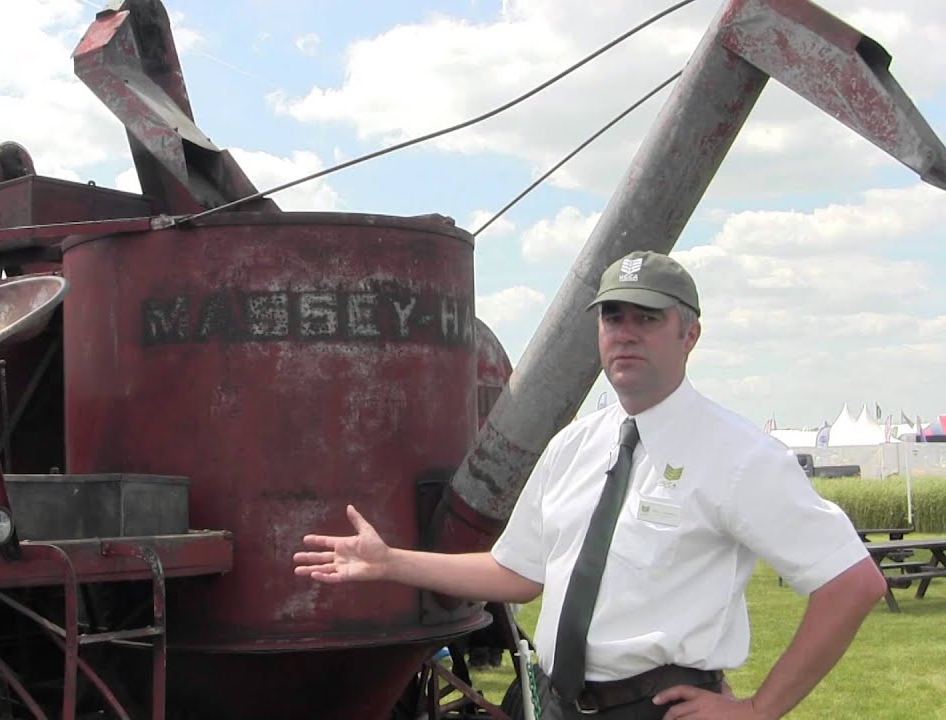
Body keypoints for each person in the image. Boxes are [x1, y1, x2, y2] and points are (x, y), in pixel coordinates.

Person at [293, 251, 887, 719]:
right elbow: (516, 574)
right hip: (557, 705)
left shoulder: (738, 455)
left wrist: (758, 710)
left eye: (647, 318)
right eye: (612, 317)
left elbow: (851, 582)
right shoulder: (573, 446)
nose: (625, 333)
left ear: (690, 335)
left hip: (655, 708)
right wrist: (390, 562)